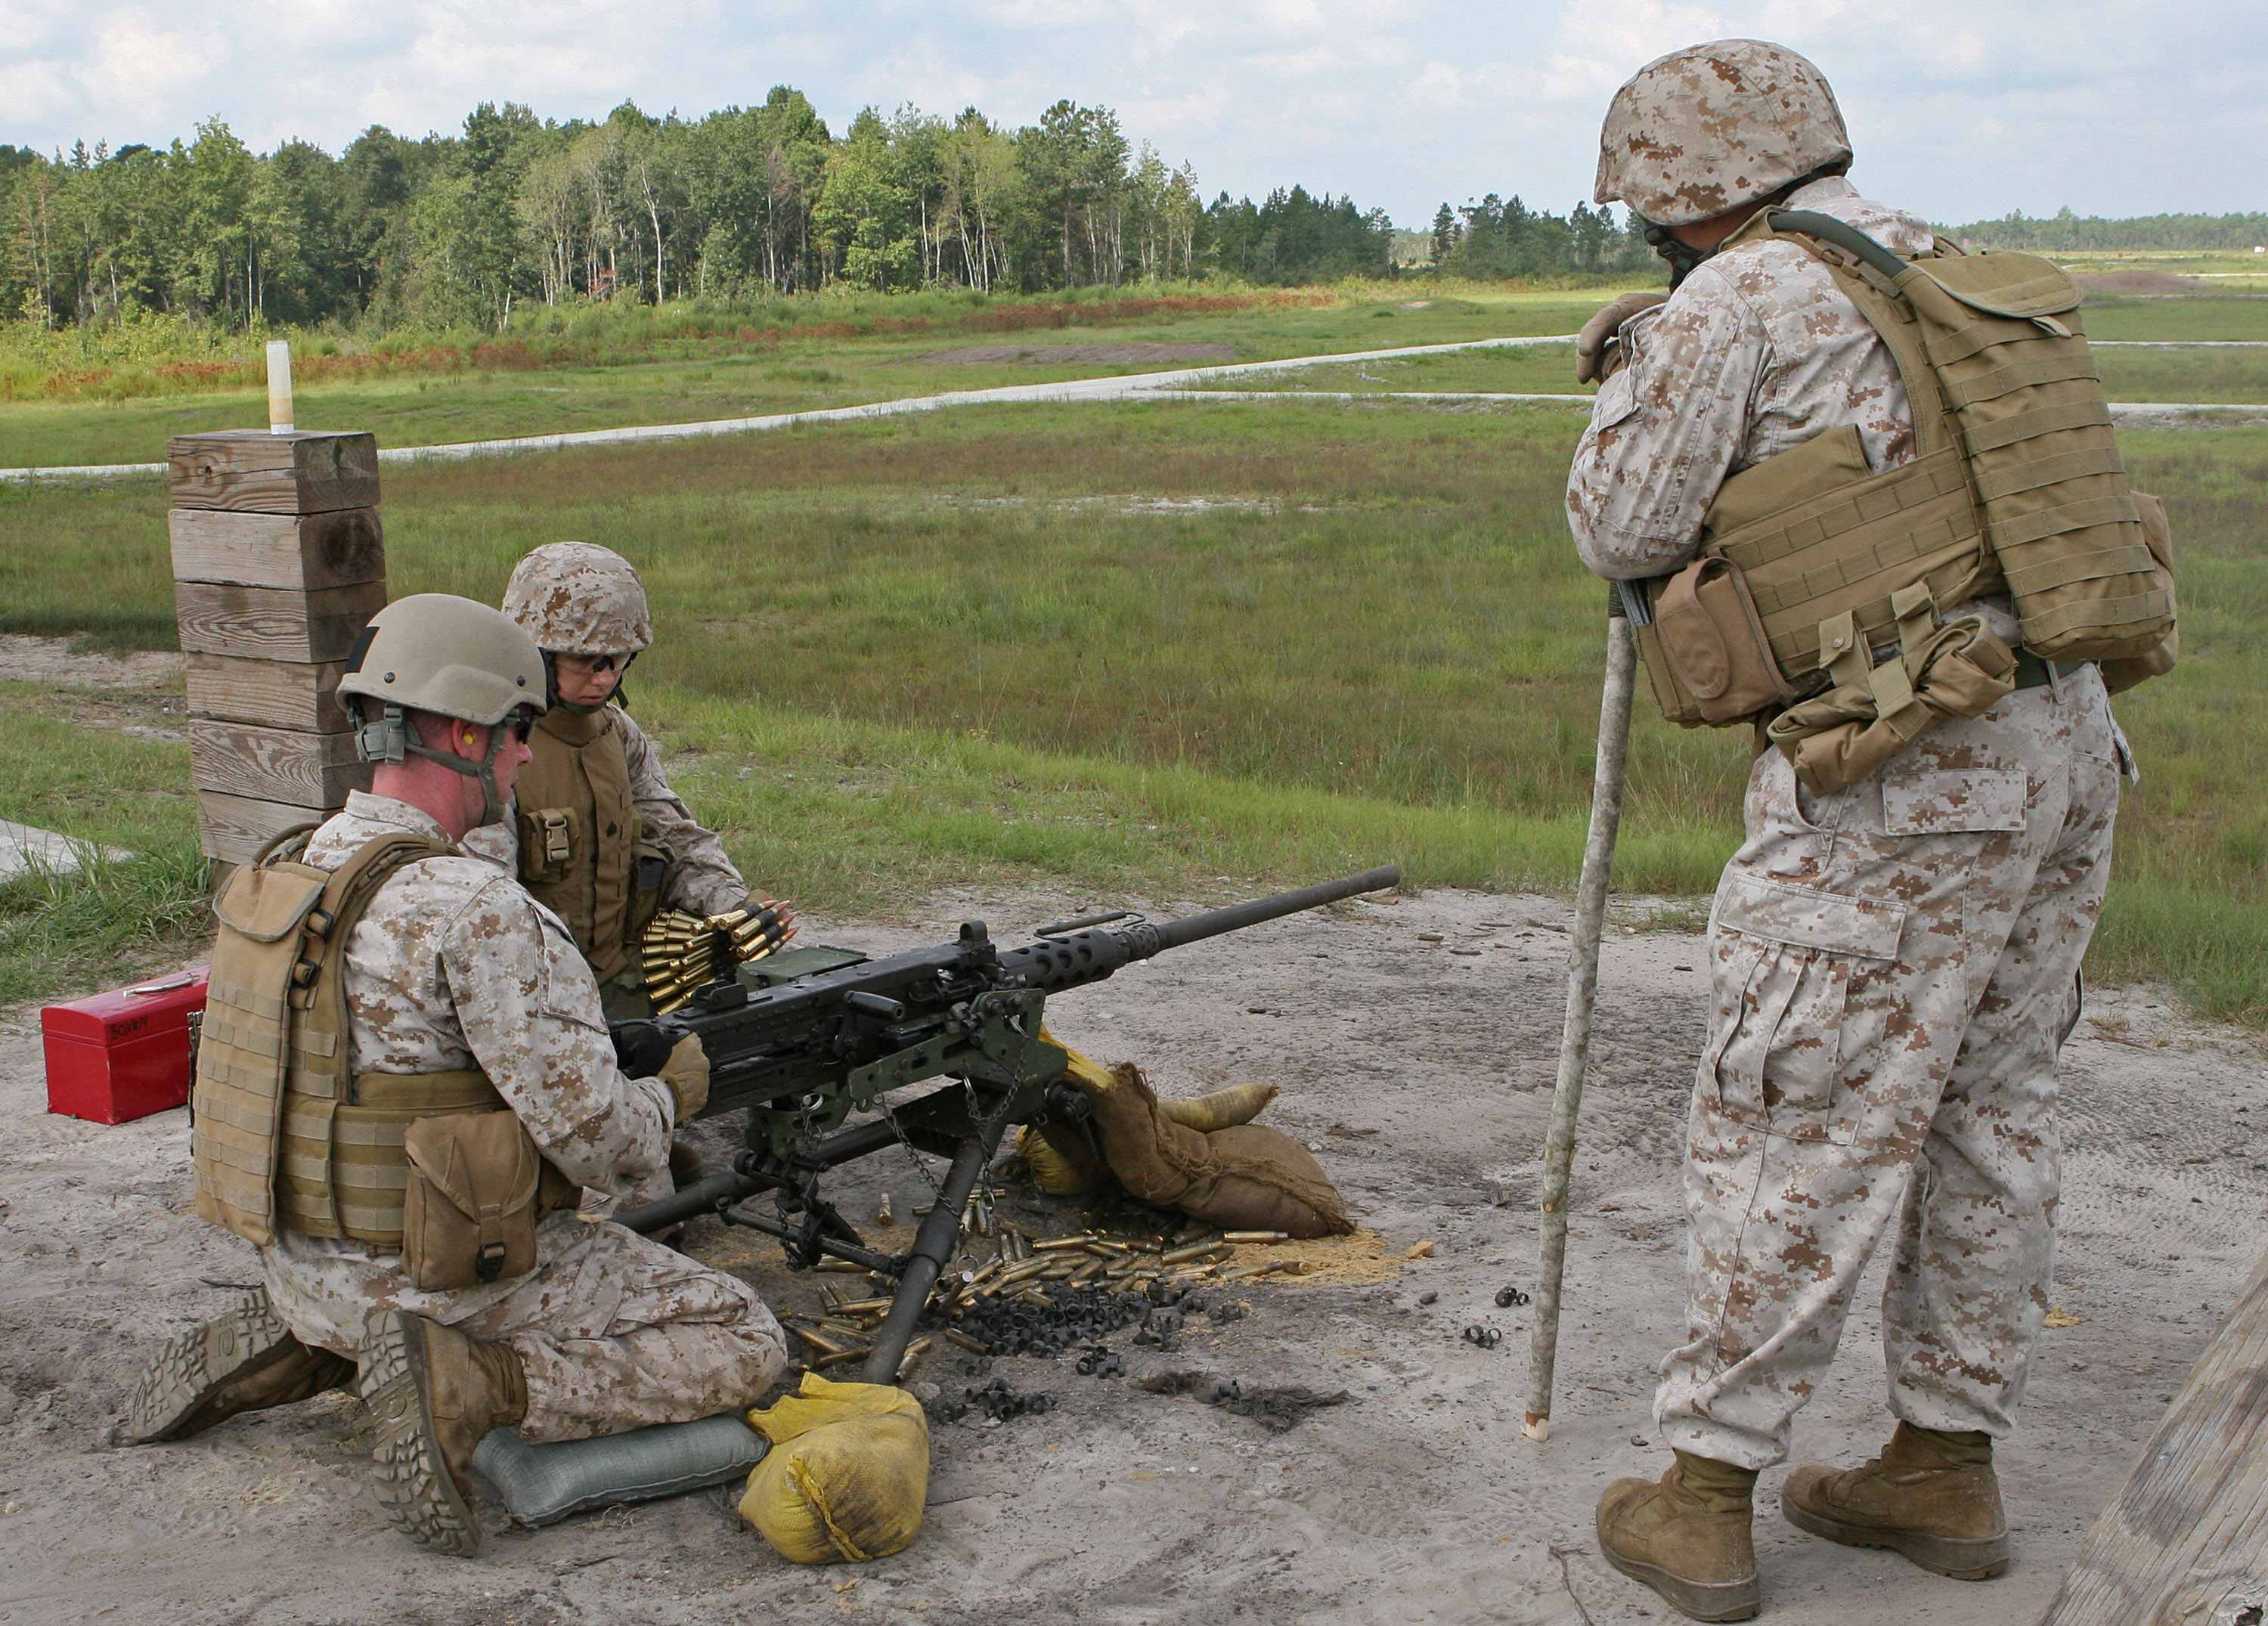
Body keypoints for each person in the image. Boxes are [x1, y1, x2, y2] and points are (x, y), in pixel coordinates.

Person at [1566, 40, 2128, 1622]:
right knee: (1988, 1109)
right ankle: (1943, 1463)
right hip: (2065, 739)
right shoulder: (1940, 261)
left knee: (1791, 1106)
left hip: (1904, 773)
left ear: (1680, 196)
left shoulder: (1732, 300)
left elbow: (1622, 522)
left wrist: (1634, 364)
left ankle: (1706, 1497)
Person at [130, 593, 785, 1557]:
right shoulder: (476, 908)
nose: (527, 756)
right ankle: (467, 1379)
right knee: (743, 1338)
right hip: (429, 1280)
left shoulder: (289, 868)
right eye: (517, 731)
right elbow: (603, 1146)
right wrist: (671, 1096)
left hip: (301, 1254)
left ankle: (320, 1342)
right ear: (455, 732)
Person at [464, 540, 790, 1024]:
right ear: (537, 654)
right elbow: (485, 904)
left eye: (619, 661)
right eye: (589, 662)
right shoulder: (497, 746)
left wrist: (733, 906)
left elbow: (674, 835)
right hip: (532, 989)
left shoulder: (618, 734)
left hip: (624, 975)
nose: (605, 678)